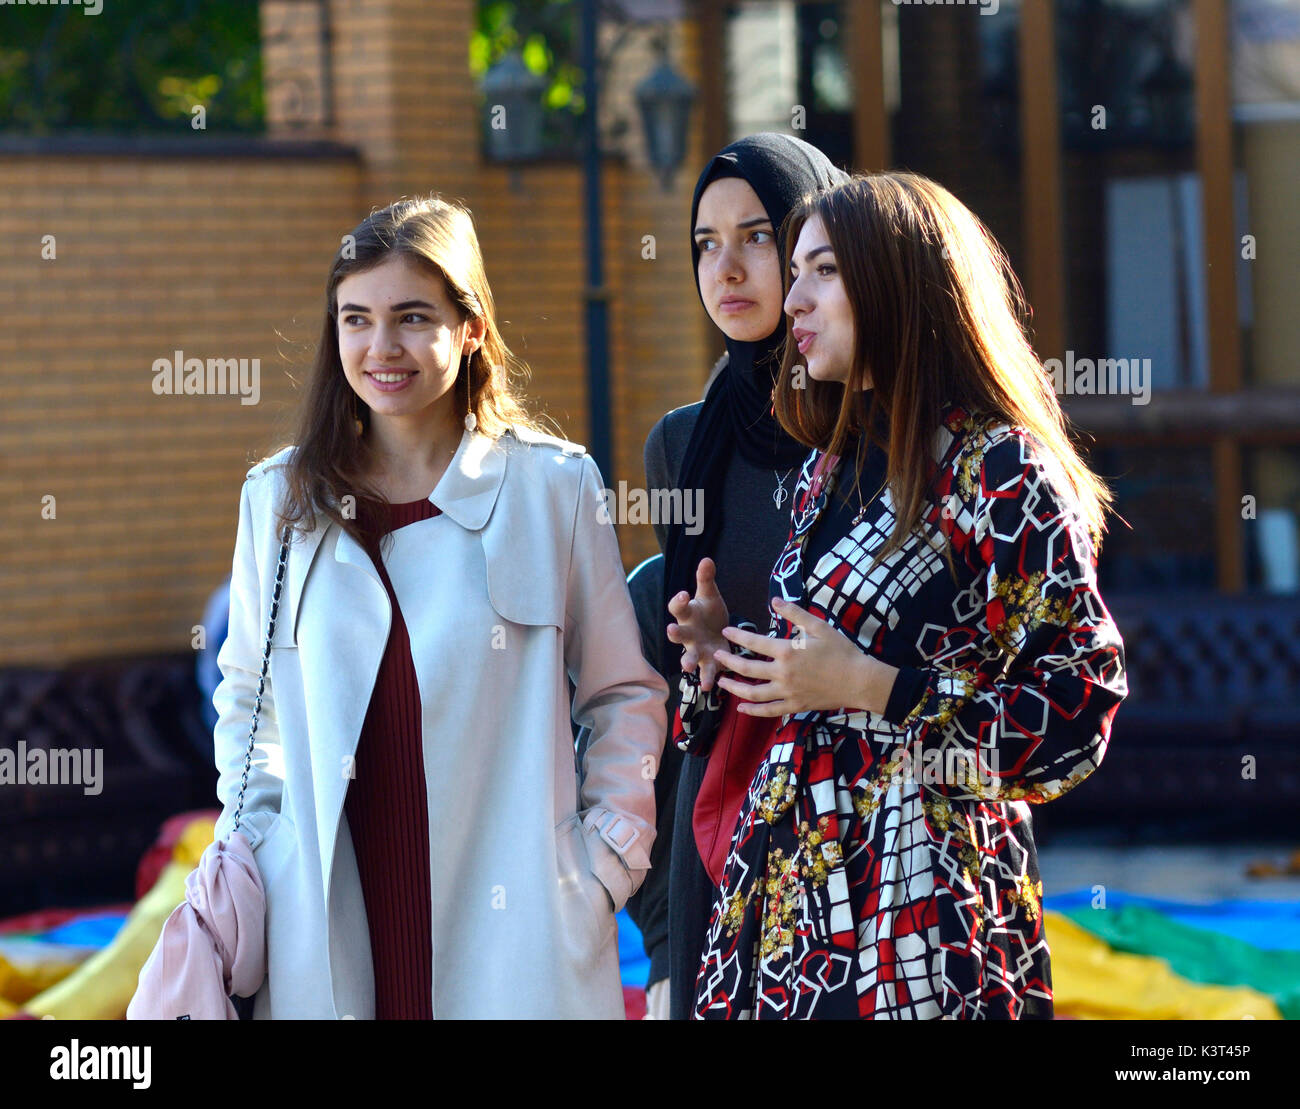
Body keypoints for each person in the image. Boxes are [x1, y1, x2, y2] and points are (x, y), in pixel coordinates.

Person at [666, 172, 1128, 1019]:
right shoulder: (827, 468)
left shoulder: (1000, 472)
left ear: (902, 281)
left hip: (923, 919)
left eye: (823, 271)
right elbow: (808, 693)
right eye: (794, 269)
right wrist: (724, 655)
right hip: (791, 926)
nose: (792, 298)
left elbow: (1077, 709)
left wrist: (876, 688)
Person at [209, 194, 667, 1019]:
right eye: (356, 318)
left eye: (412, 316)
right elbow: (250, 700)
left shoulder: (554, 488)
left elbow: (622, 695)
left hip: (520, 932)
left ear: (471, 328)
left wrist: (603, 867)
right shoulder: (275, 499)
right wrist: (261, 845)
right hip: (325, 928)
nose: (380, 347)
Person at [637, 133, 849, 1019]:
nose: (726, 267)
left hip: (848, 826)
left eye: (757, 236)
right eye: (704, 243)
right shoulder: (683, 444)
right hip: (715, 818)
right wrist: (661, 940)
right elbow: (650, 707)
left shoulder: (875, 433)